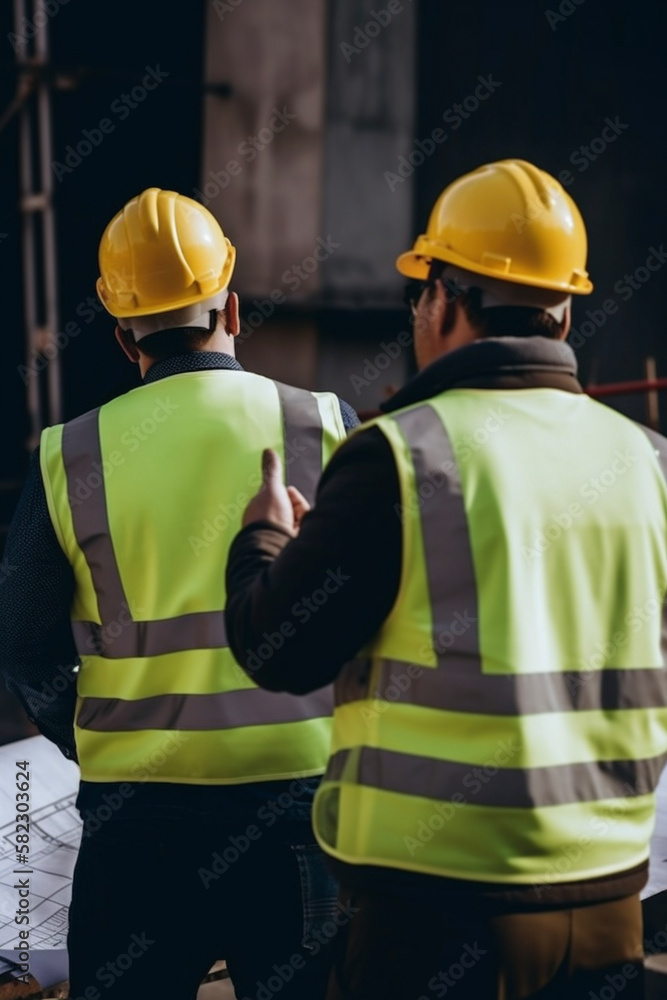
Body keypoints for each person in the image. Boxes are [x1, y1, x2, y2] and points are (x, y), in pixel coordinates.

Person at [224, 159, 667, 1000]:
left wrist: (263, 540)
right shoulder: (647, 463)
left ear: (446, 300)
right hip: (612, 902)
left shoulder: (402, 456)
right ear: (563, 307)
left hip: (435, 917)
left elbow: (278, 648)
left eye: (420, 291)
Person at [0, 187, 358, 1000]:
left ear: (124, 334)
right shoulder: (322, 423)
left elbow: (22, 644)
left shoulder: (70, 453)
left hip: (137, 819)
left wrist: (93, 737)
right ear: (233, 306)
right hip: (295, 807)